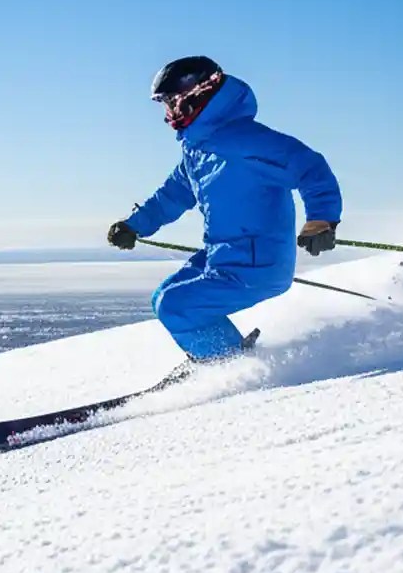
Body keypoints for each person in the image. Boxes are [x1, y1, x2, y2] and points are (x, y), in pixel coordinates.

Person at [107, 56, 342, 362]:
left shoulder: (246, 140)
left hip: (256, 261)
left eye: (172, 104)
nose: (168, 115)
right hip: (224, 254)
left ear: (196, 97)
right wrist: (134, 225)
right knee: (163, 296)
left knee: (176, 306)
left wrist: (322, 221)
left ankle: (230, 365)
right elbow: (174, 194)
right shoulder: (199, 149)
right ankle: (220, 353)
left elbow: (309, 167)